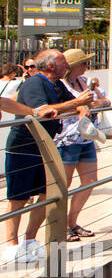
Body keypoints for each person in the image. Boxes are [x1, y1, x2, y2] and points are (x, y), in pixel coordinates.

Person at [3, 50, 92, 264]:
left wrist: (80, 107)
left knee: (46, 194)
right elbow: (43, 110)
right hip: (23, 147)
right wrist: (76, 104)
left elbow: (72, 103)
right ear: (51, 66)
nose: (67, 66)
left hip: (45, 146)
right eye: (63, 62)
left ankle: (29, 241)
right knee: (19, 198)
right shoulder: (35, 83)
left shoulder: (57, 84)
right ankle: (11, 245)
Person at [56, 48, 108, 241]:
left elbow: (101, 102)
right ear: (74, 65)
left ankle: (72, 222)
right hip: (67, 139)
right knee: (64, 184)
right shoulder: (61, 84)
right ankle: (59, 227)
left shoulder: (83, 82)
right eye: (84, 62)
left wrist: (94, 104)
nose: (87, 65)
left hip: (85, 138)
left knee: (90, 180)